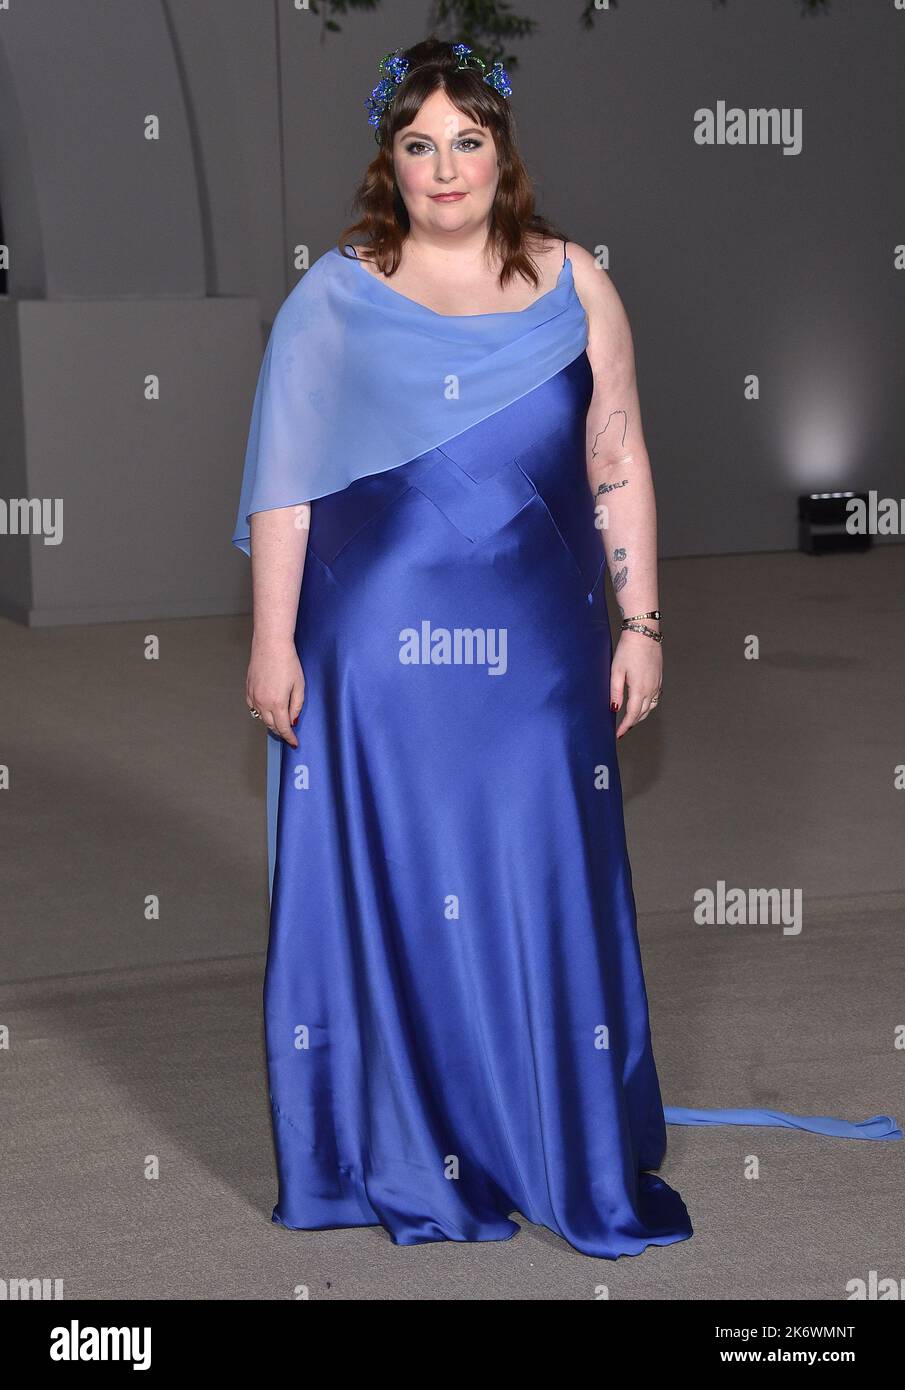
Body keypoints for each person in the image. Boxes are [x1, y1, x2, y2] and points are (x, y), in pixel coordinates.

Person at [232, 38, 900, 1259]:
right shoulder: (331, 294)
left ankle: (548, 1126)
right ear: (389, 161)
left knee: (539, 871)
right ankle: (405, 1139)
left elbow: (617, 459)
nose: (445, 168)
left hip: (536, 653)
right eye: (419, 144)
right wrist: (274, 641)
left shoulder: (574, 283)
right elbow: (283, 490)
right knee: (393, 890)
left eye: (467, 141)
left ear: (503, 150)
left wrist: (640, 623)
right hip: (370, 662)